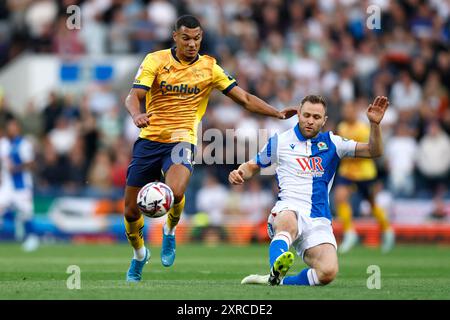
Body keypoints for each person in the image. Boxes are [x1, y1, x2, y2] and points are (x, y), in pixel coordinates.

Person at [123, 15, 296, 282]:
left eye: (197, 38)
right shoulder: (155, 60)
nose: (192, 44)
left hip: (182, 139)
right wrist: (137, 115)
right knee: (131, 211)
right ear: (175, 37)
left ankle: (169, 232)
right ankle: (139, 255)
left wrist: (276, 113)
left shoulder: (210, 68)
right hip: (149, 139)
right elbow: (133, 96)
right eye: (186, 38)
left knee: (176, 190)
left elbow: (245, 99)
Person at [230, 95, 389, 286]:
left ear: (324, 121)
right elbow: (253, 166)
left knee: (327, 273)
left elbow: (374, 150)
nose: (310, 121)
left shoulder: (333, 143)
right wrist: (239, 172)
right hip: (288, 208)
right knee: (288, 221)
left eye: (316, 117)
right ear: (298, 114)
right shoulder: (280, 142)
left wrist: (374, 125)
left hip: (318, 218)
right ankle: (276, 266)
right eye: (306, 115)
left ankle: (277, 281)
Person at [334, 101, 395, 254]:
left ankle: (387, 230)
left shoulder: (362, 128)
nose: (347, 113)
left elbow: (368, 150)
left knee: (372, 203)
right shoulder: (342, 127)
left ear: (355, 111)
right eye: (345, 110)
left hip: (364, 172)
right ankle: (349, 233)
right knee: (340, 197)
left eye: (349, 109)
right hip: (347, 171)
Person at [0, 118, 39, 252]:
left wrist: (16, 168)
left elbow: (32, 163)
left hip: (21, 184)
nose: (12, 130)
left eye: (14, 127)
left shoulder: (24, 144)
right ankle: (15, 219)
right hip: (7, 184)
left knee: (27, 212)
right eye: (9, 127)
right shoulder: (4, 143)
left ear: (18, 129)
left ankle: (33, 238)